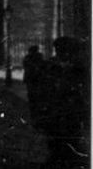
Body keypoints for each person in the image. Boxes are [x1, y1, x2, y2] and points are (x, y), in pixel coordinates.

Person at [33, 36, 89, 168]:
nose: (61, 52)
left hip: (68, 110)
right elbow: (43, 88)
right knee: (56, 137)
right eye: (59, 49)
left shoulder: (78, 67)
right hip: (57, 109)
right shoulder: (51, 65)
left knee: (68, 137)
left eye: (64, 49)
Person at [22, 44, 45, 122]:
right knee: (36, 95)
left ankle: (34, 112)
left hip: (31, 78)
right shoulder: (39, 57)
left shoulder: (28, 58)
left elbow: (25, 66)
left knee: (32, 95)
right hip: (36, 78)